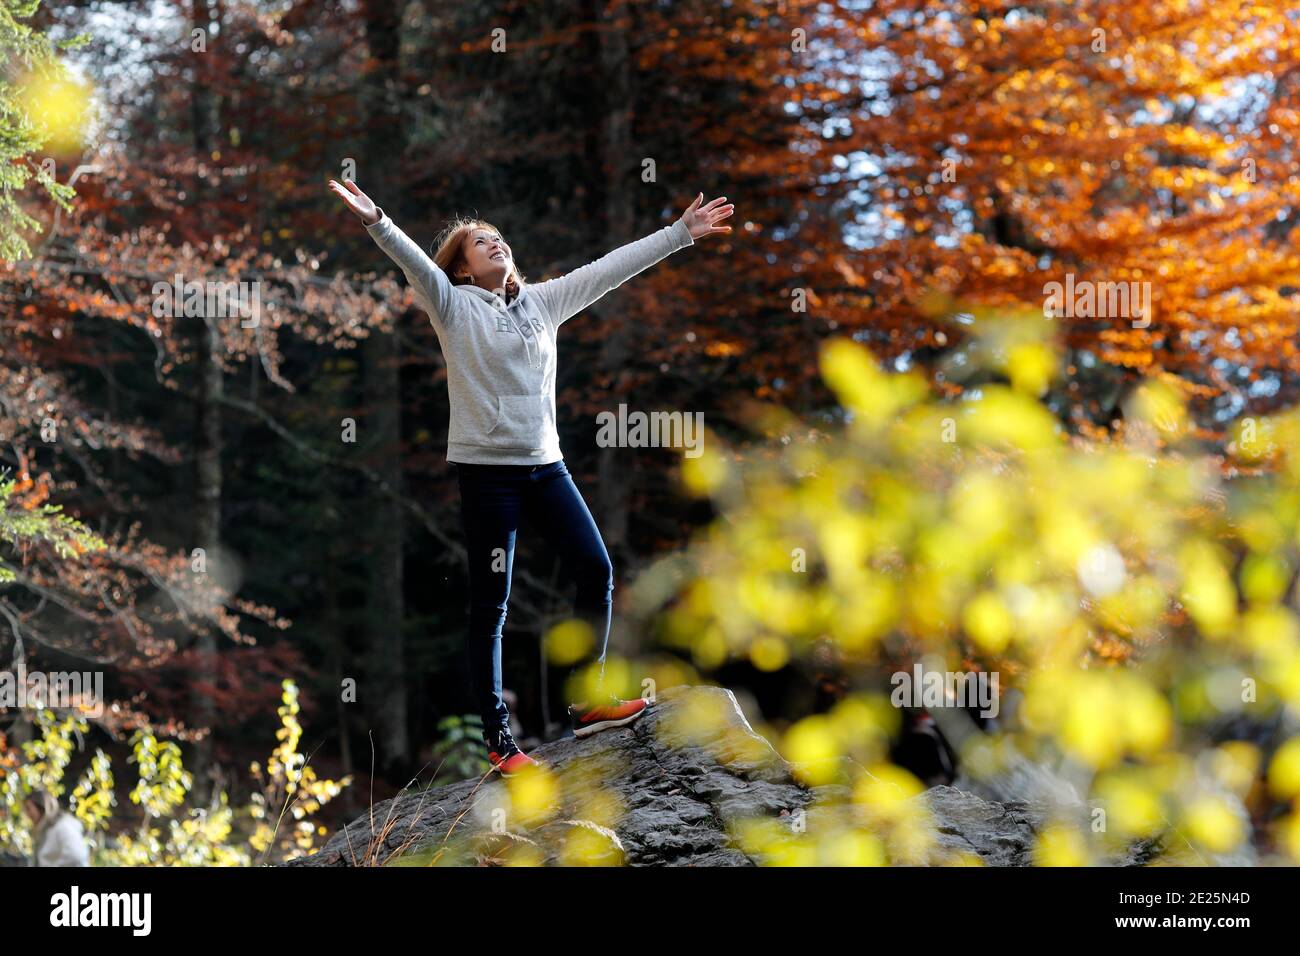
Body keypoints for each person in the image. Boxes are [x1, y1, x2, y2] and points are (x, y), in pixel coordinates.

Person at [330, 178, 733, 775]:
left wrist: (679, 235)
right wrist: (377, 221)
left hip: (546, 467)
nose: (494, 244)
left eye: (497, 238)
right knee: (491, 604)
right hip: (487, 474)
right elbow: (415, 263)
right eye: (478, 243)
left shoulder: (543, 302)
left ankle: (589, 700)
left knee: (596, 568)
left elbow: (608, 269)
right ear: (462, 269)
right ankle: (500, 741)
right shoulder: (452, 304)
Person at [24, 789, 90, 867]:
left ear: (42, 807)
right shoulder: (46, 830)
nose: (27, 814)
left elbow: (76, 856)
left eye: (29, 809)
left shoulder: (63, 826)